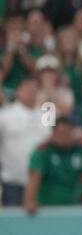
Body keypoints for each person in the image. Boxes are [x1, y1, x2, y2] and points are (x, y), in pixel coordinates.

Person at [25, 118, 82, 216]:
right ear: (53, 134)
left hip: (73, 207)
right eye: (60, 133)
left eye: (67, 133)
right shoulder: (43, 151)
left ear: (73, 133)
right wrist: (30, 201)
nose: (63, 137)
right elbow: (35, 177)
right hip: (46, 208)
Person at [0, 78, 48, 206]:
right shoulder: (5, 115)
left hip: (41, 182)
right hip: (13, 181)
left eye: (33, 90)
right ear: (18, 92)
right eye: (27, 89)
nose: (30, 93)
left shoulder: (46, 114)